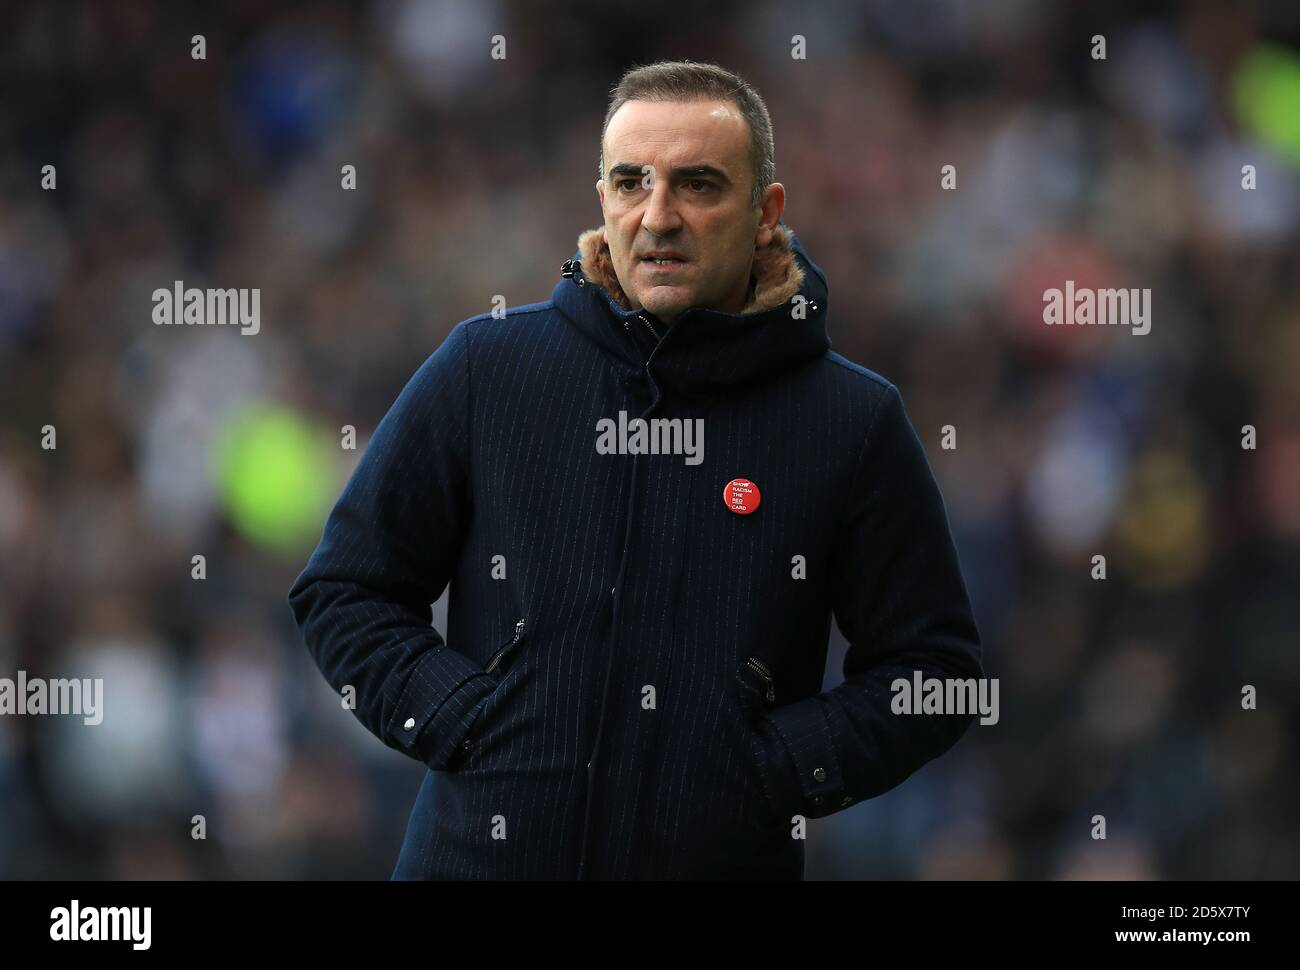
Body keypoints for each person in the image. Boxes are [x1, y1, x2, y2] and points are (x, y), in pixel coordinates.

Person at [288, 60, 983, 880]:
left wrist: (772, 771)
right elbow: (344, 590)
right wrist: (459, 718)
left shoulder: (852, 420)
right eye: (631, 183)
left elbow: (935, 673)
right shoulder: (487, 367)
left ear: (766, 213)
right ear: (603, 200)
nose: (659, 217)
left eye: (697, 185)